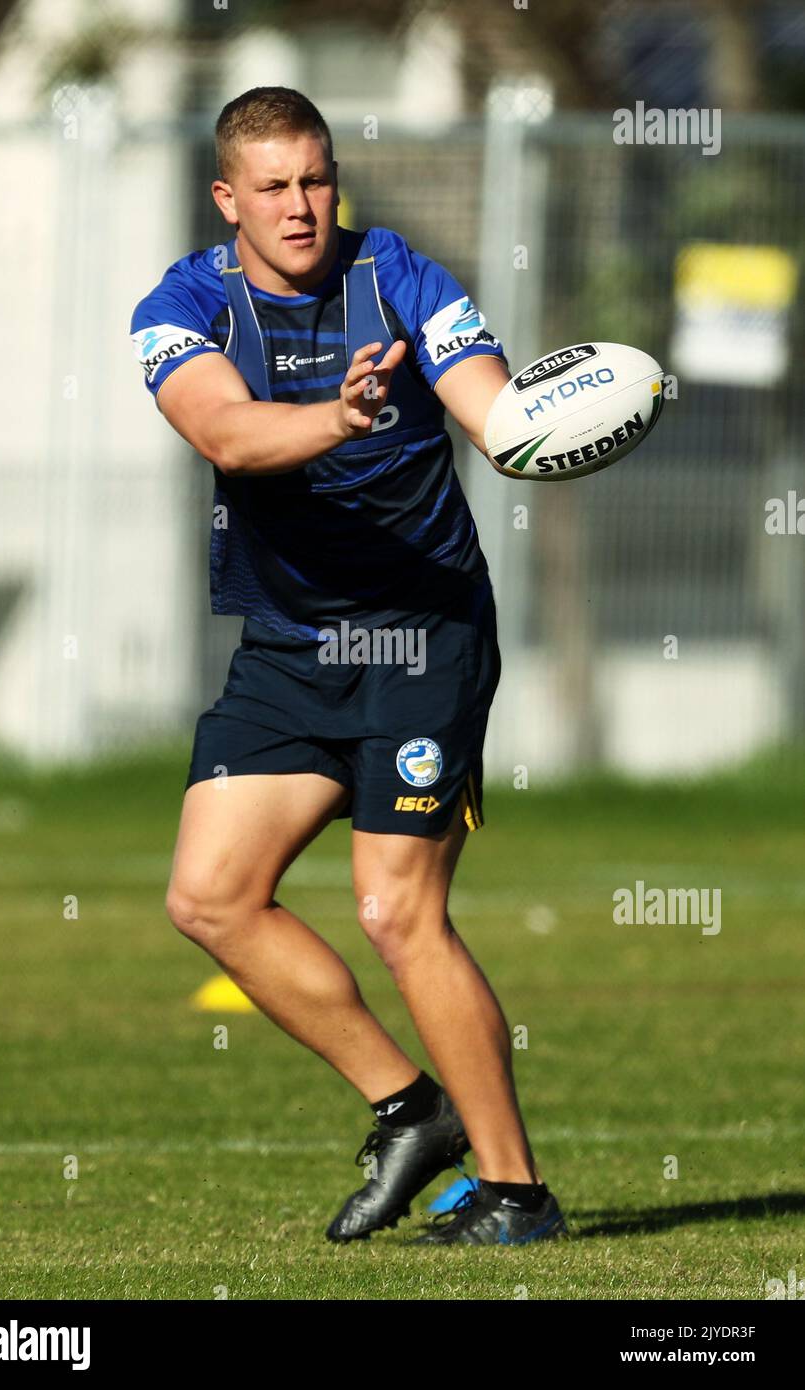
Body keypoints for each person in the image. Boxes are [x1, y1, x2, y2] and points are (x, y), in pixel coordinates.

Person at [130, 85, 567, 1246]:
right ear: (227, 197)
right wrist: (340, 413)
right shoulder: (182, 306)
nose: (299, 206)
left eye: (314, 179)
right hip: (285, 645)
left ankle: (516, 1194)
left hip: (422, 634)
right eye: (271, 187)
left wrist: (530, 433)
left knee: (393, 909)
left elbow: (490, 411)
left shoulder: (405, 279)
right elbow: (224, 432)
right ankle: (409, 1107)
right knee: (210, 897)